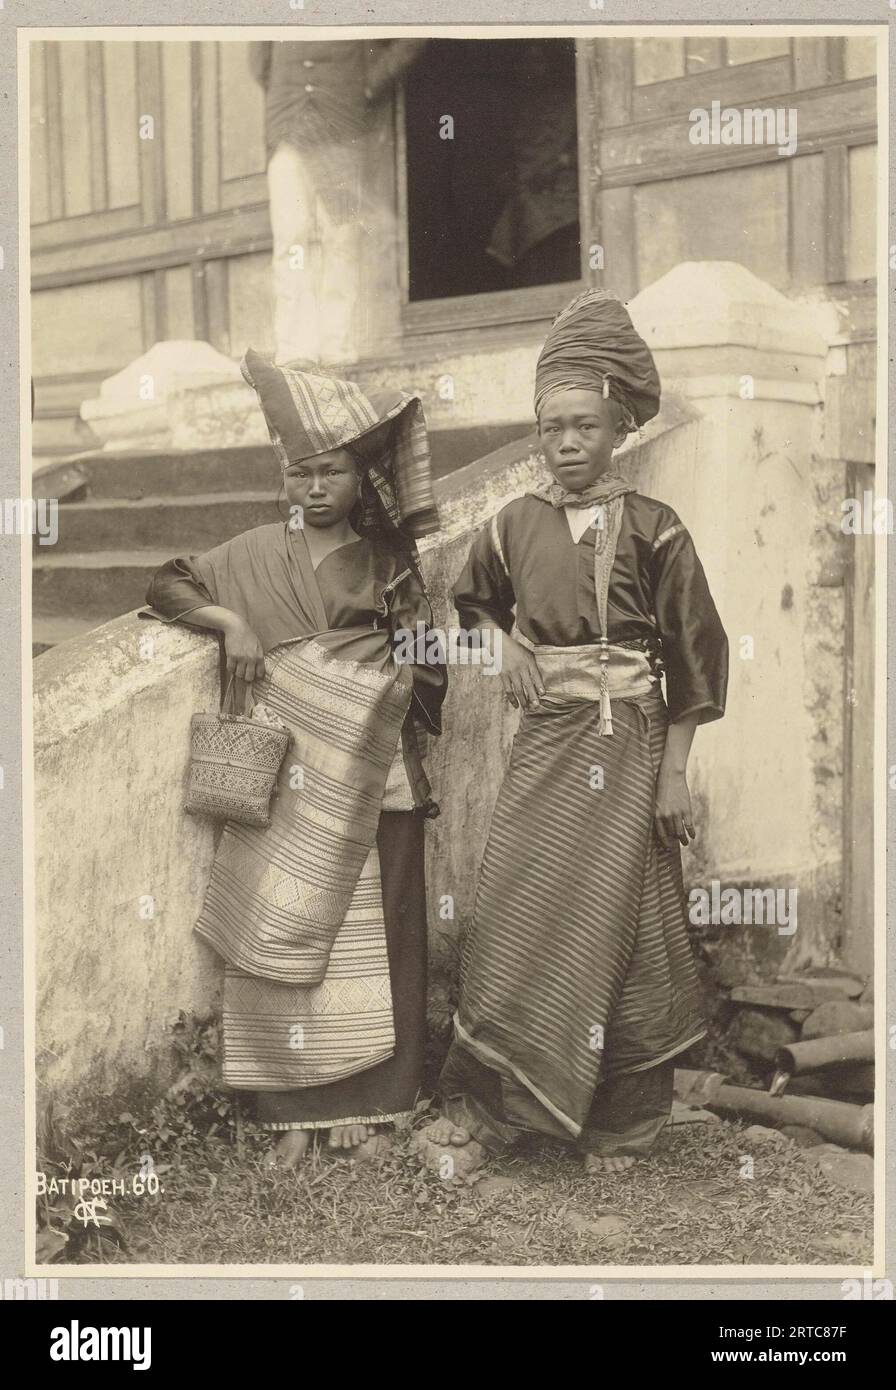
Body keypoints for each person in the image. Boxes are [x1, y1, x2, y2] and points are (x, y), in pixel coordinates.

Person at [420, 287, 729, 1175]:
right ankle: (499, 1108)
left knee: (626, 916)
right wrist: (504, 645)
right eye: (551, 426)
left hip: (631, 746)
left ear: (620, 428)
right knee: (518, 906)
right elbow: (473, 601)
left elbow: (697, 660)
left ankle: (620, 1122)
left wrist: (674, 776)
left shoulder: (658, 532)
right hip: (548, 743)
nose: (566, 442)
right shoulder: (513, 525)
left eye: (584, 425)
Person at [140, 350, 446, 1167]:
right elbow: (167, 583)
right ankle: (293, 1108)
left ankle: (372, 1102)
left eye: (331, 471)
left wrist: (355, 691)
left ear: (360, 478)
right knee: (278, 924)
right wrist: (231, 624)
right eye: (300, 472)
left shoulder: (388, 564)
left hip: (373, 770)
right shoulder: (248, 553)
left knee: (378, 928)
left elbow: (428, 665)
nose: (314, 487)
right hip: (286, 775)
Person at [249, 40, 427, 367]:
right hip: (287, 125)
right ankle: (295, 349)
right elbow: (259, 61)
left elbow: (413, 37)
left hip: (340, 130)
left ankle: (338, 346)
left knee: (342, 239)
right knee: (291, 240)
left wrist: (368, 84)